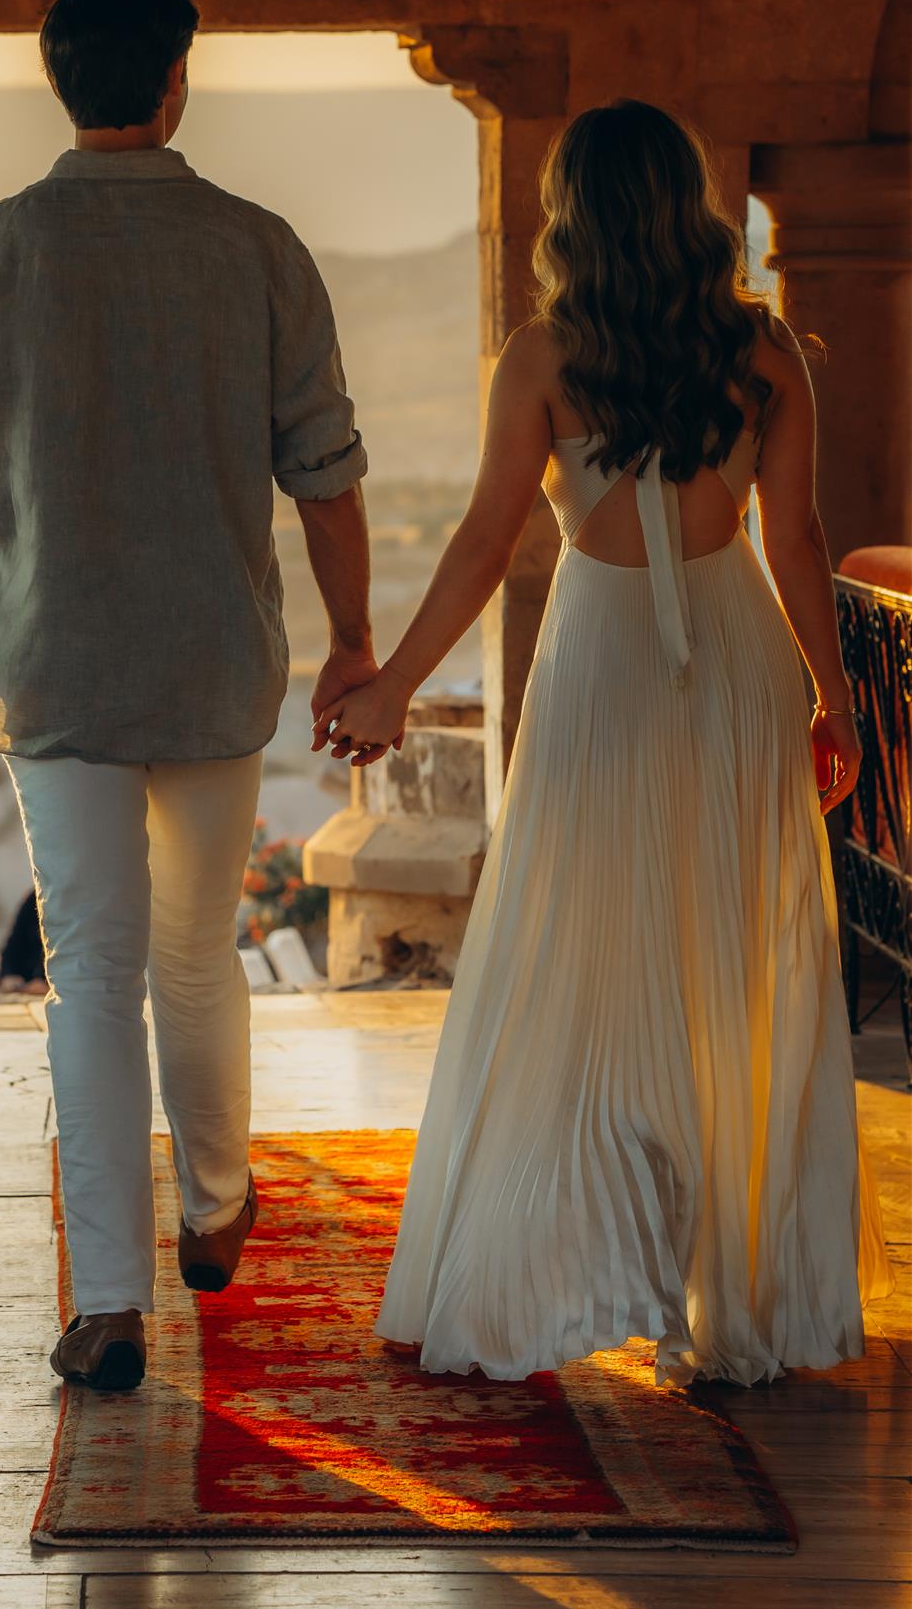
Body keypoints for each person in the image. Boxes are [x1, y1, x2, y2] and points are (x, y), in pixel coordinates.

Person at [320, 99, 890, 1386]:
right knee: (729, 955)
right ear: (692, 205)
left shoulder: (541, 356)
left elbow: (486, 540)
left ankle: (581, 1250)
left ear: (569, 213)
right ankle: (734, 1286)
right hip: (737, 662)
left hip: (600, 669)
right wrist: (833, 702)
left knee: (575, 942)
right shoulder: (764, 349)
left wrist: (396, 685)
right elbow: (796, 541)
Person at [0, 0, 373, 1393]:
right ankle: (215, 1205)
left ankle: (108, 1302)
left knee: (92, 972)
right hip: (212, 659)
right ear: (175, 82)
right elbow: (326, 473)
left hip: (52, 668)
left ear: (62, 82)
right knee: (195, 949)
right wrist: (352, 639)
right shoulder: (258, 247)